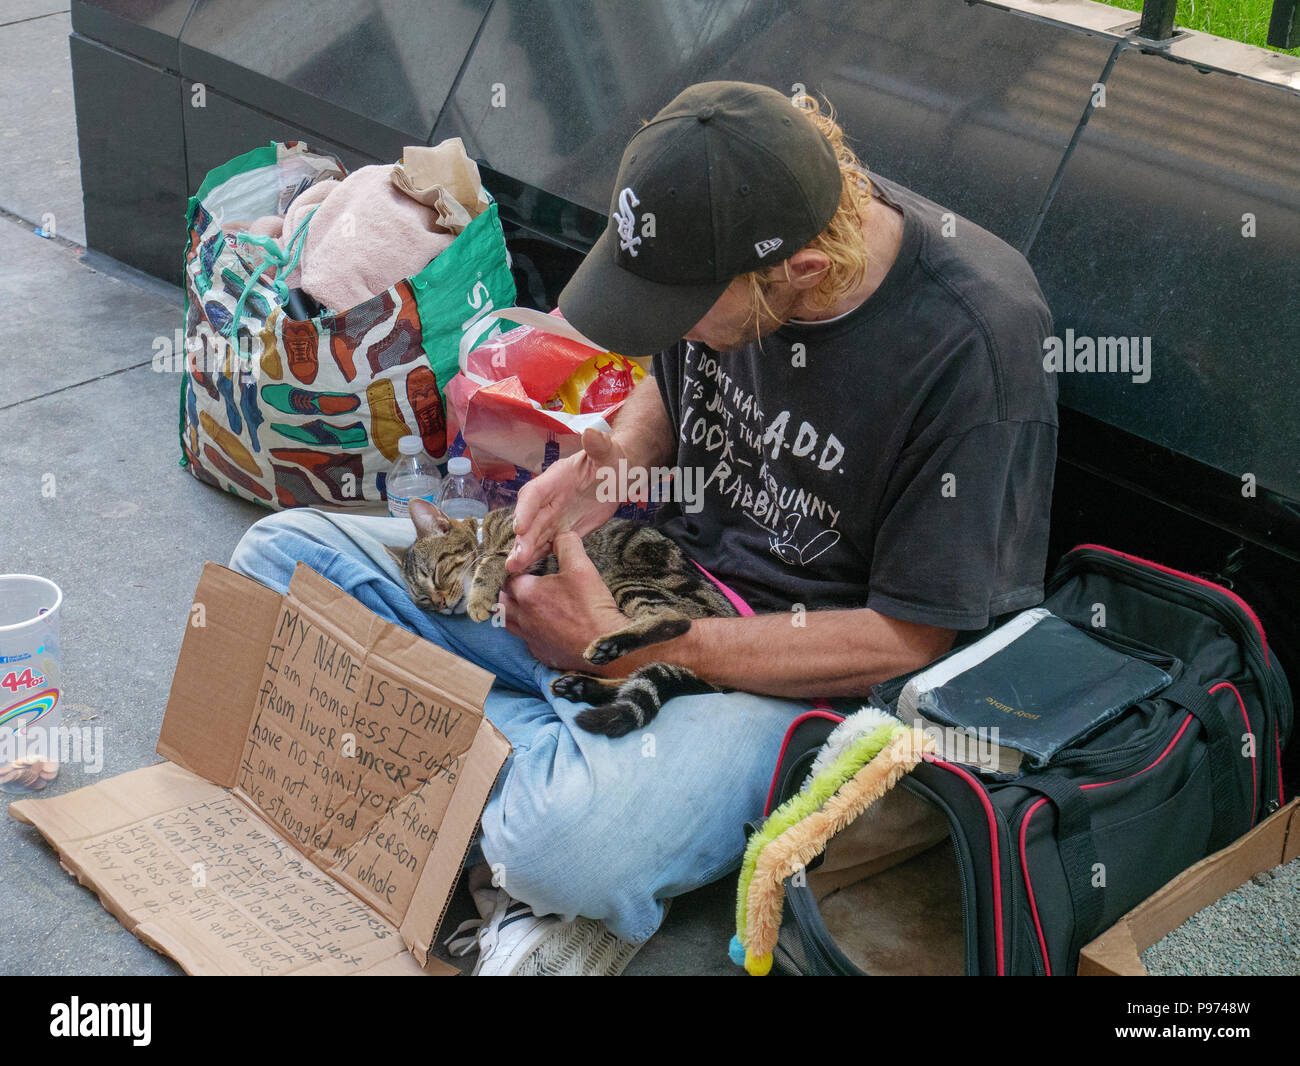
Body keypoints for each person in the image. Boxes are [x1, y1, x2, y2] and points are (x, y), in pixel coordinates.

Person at [230, 81, 1057, 975]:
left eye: (681, 309)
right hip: (643, 579)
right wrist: (604, 468)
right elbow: (676, 380)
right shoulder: (734, 201)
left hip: (782, 679)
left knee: (560, 844)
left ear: (804, 273)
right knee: (273, 565)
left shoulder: (975, 344)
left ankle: (513, 806)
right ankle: (538, 778)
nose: (659, 330)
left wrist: (633, 649)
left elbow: (910, 636)